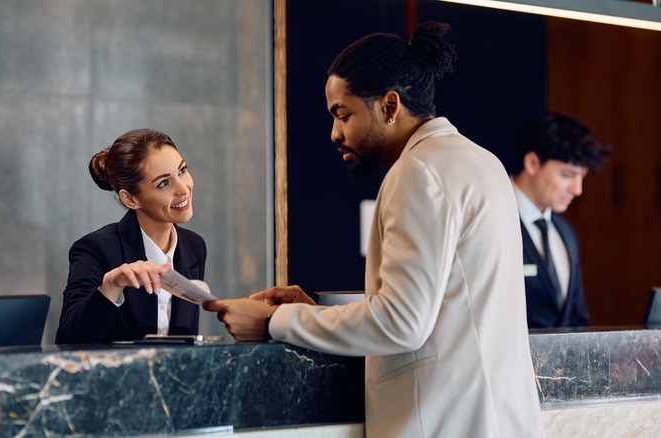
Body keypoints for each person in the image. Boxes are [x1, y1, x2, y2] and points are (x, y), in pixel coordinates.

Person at [205, 22, 545, 437]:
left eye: (342, 114)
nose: (334, 133)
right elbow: (443, 307)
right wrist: (318, 313)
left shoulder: (417, 172)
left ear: (389, 105)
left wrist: (275, 321)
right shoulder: (482, 162)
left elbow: (402, 323)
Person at [56, 129, 207, 344]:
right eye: (164, 183)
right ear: (130, 199)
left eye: (182, 170)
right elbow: (68, 340)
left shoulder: (194, 247)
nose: (184, 189)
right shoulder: (94, 249)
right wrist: (110, 286)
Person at [511, 113, 609, 328]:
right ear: (532, 163)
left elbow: (577, 318)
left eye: (581, 177)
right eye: (567, 174)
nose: (577, 189)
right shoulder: (493, 220)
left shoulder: (565, 231)